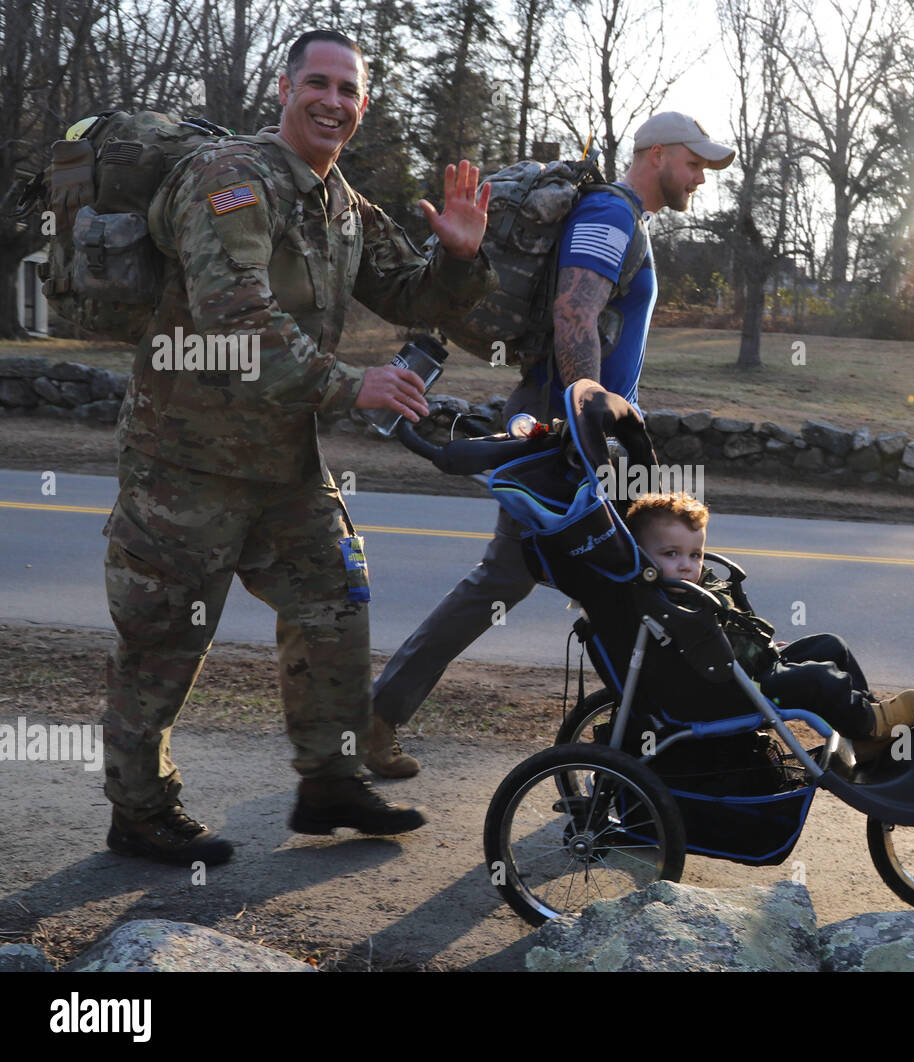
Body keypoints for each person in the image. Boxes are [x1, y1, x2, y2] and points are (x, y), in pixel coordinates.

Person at [102, 28, 496, 866]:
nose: (334, 102)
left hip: (282, 464)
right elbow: (233, 318)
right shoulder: (232, 180)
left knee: (333, 599)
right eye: (318, 83)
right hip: (185, 462)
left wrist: (459, 258)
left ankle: (330, 780)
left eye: (350, 90)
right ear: (284, 90)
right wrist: (353, 387)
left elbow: (408, 292)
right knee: (167, 634)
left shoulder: (340, 202)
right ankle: (138, 810)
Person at [368, 112, 736, 776]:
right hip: (563, 422)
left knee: (616, 580)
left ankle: (641, 746)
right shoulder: (611, 214)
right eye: (693, 163)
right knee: (512, 576)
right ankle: (378, 717)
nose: (700, 178)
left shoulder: (628, 220)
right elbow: (574, 311)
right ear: (655, 155)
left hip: (581, 425)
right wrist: (585, 412)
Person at [626, 492, 914, 761]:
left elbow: (728, 637)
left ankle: (865, 727)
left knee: (830, 645)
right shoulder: (669, 605)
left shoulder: (687, 591)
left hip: (746, 670)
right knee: (818, 679)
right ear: (642, 557)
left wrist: (763, 648)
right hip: (731, 693)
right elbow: (706, 652)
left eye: (695, 555)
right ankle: (869, 723)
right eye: (671, 554)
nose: (686, 565)